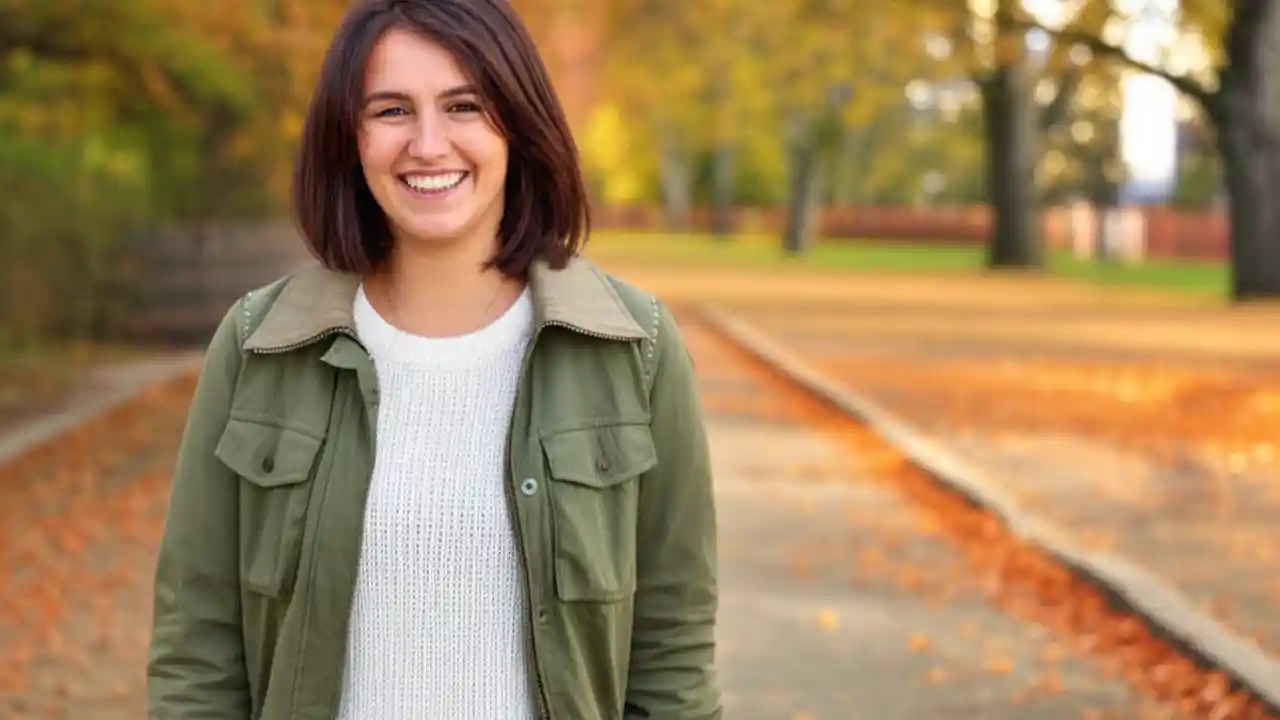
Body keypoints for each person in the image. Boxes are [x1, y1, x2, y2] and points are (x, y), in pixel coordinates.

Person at [145, 0, 721, 718]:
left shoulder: (635, 349)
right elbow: (197, 646)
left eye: (464, 106)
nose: (428, 143)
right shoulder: (259, 345)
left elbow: (673, 653)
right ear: (348, 139)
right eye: (391, 110)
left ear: (518, 124)